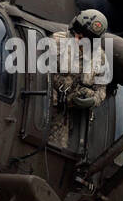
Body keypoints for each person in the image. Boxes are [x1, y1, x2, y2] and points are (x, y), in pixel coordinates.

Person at [47, 9, 111, 148]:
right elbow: (39, 75)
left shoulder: (100, 58)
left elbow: (101, 90)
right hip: (43, 108)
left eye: (83, 38)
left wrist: (92, 100)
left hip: (68, 122)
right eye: (76, 33)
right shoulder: (56, 42)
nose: (77, 39)